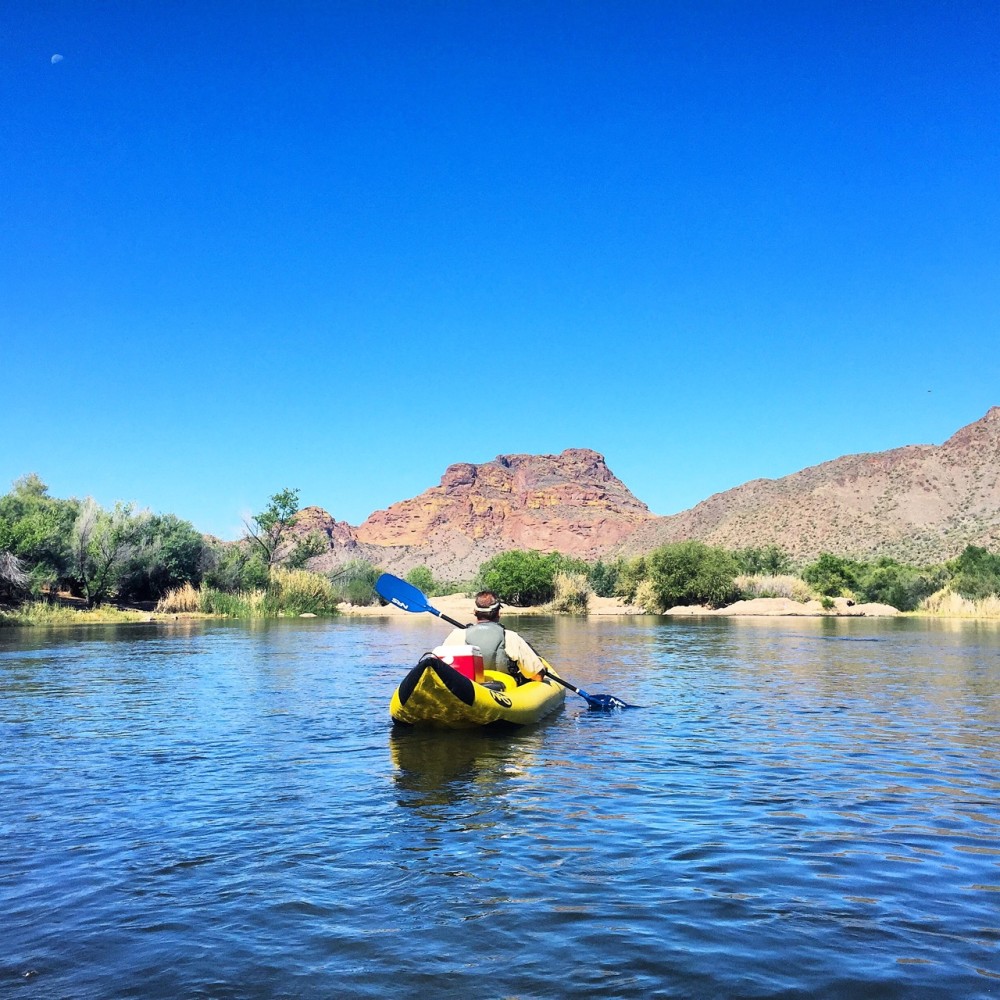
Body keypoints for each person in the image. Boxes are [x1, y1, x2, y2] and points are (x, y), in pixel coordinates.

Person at [441, 590, 547, 684]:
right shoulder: (510, 637)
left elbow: (440, 670)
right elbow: (537, 675)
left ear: (474, 612)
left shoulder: (456, 635)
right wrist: (543, 671)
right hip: (504, 689)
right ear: (498, 613)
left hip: (466, 687)